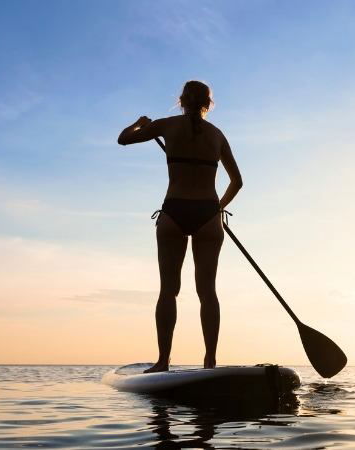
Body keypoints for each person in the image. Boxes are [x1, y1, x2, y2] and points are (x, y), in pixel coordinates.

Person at [117, 80, 242, 373]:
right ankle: (210, 362)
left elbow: (123, 139)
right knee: (207, 292)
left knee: (168, 291)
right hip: (208, 215)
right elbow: (237, 182)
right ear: (208, 105)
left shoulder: (166, 125)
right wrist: (218, 209)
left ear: (181, 100)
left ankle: (163, 361)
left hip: (174, 212)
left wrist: (140, 123)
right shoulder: (217, 135)